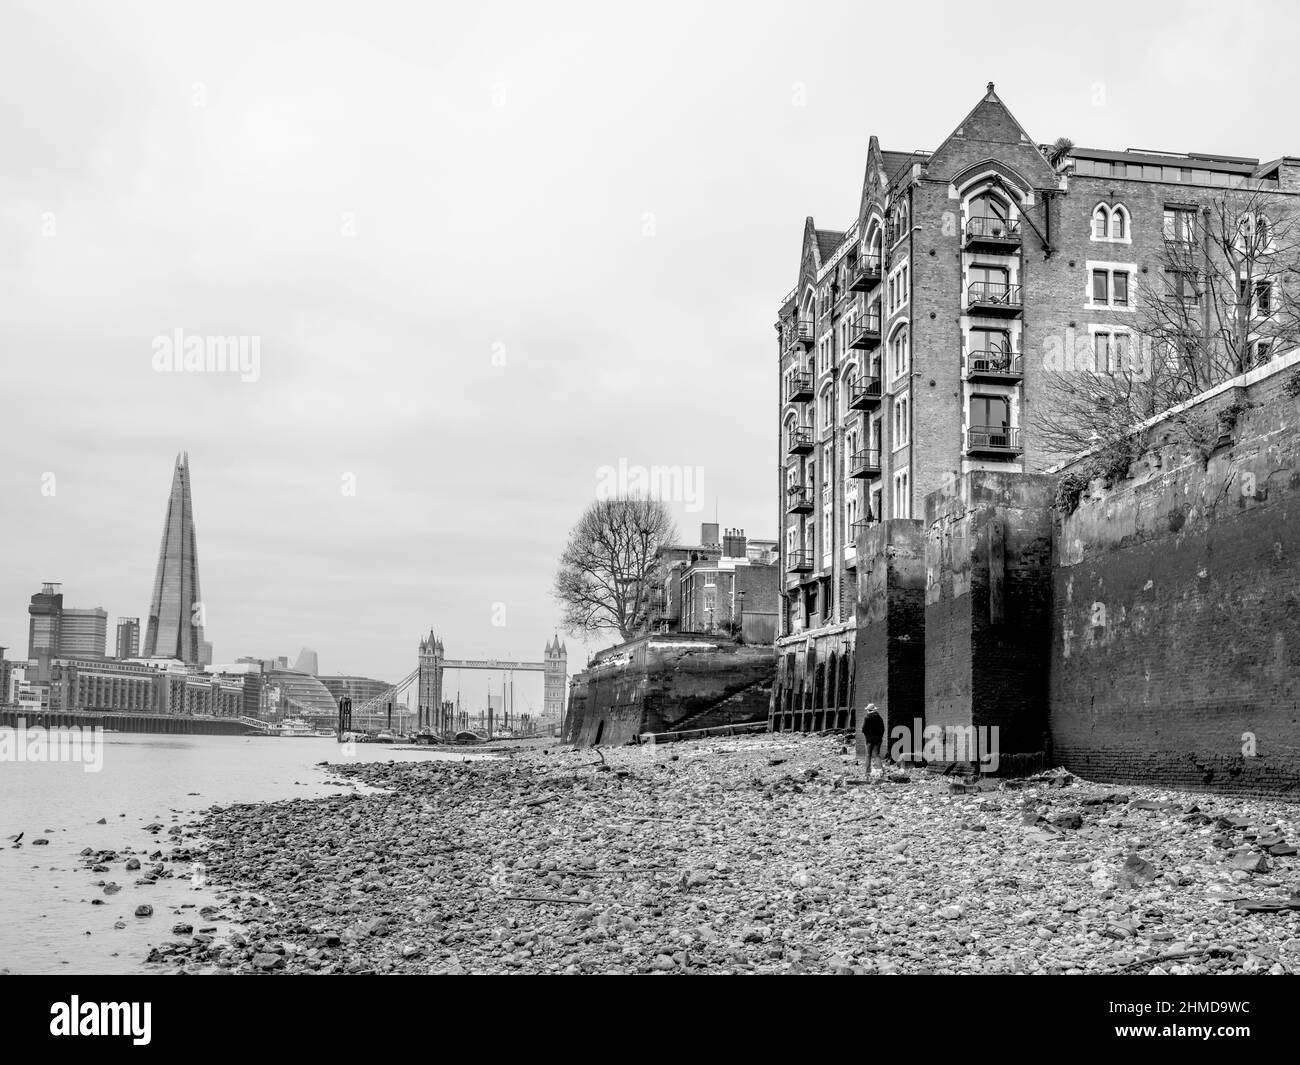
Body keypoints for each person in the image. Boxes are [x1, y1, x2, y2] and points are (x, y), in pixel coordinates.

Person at [861, 703, 885, 781]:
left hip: (869, 740)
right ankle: (880, 771)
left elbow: (863, 729)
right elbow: (882, 729)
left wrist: (867, 736)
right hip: (878, 740)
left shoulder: (867, 718)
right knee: (876, 755)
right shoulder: (879, 718)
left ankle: (867, 772)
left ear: (868, 710)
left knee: (868, 755)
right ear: (874, 709)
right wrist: (879, 737)